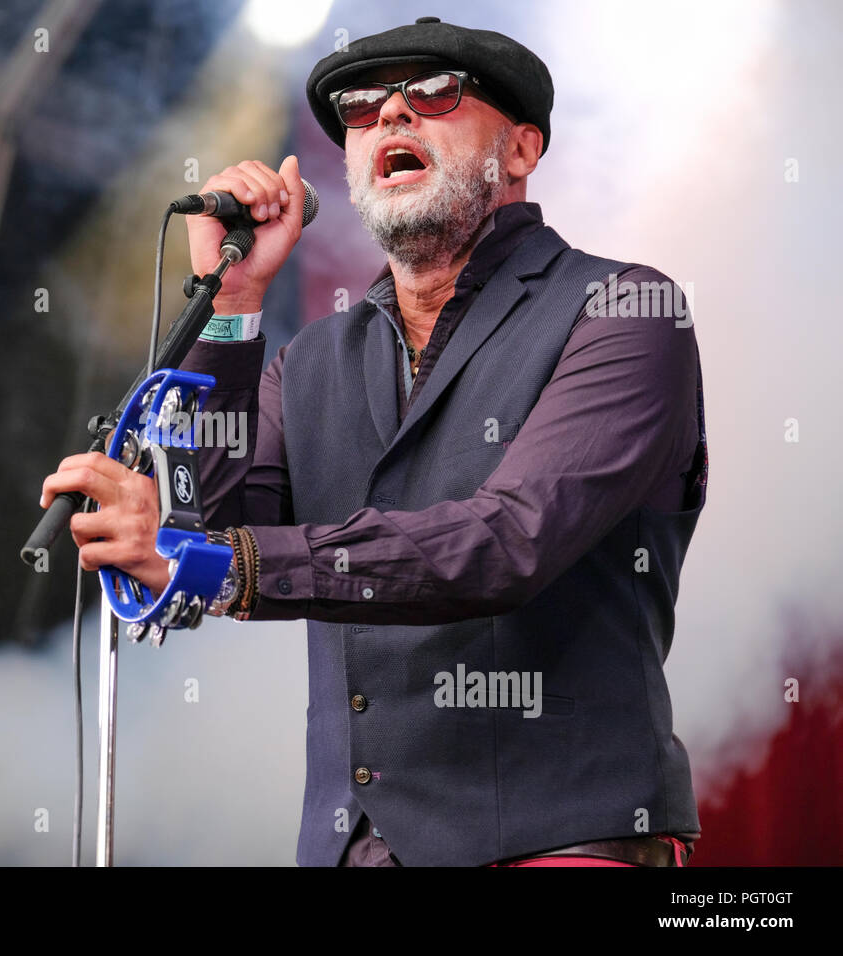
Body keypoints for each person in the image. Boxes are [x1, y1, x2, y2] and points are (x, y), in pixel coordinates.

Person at [39, 17, 707, 867]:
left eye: (433, 93)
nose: (391, 115)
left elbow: (506, 544)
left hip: (560, 843)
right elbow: (202, 523)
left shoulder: (620, 312)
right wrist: (236, 303)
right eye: (361, 107)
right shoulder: (314, 358)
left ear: (521, 148)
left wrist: (221, 565)